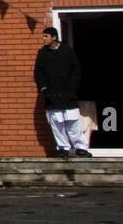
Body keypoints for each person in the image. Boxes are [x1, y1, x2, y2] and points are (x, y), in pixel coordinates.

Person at [34, 27, 92, 157]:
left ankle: (80, 147)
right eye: (43, 36)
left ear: (54, 37)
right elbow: (38, 73)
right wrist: (44, 89)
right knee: (56, 123)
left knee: (73, 122)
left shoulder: (67, 51)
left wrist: (72, 87)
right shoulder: (42, 53)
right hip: (52, 95)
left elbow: (76, 70)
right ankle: (62, 148)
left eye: (46, 36)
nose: (43, 39)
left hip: (68, 93)